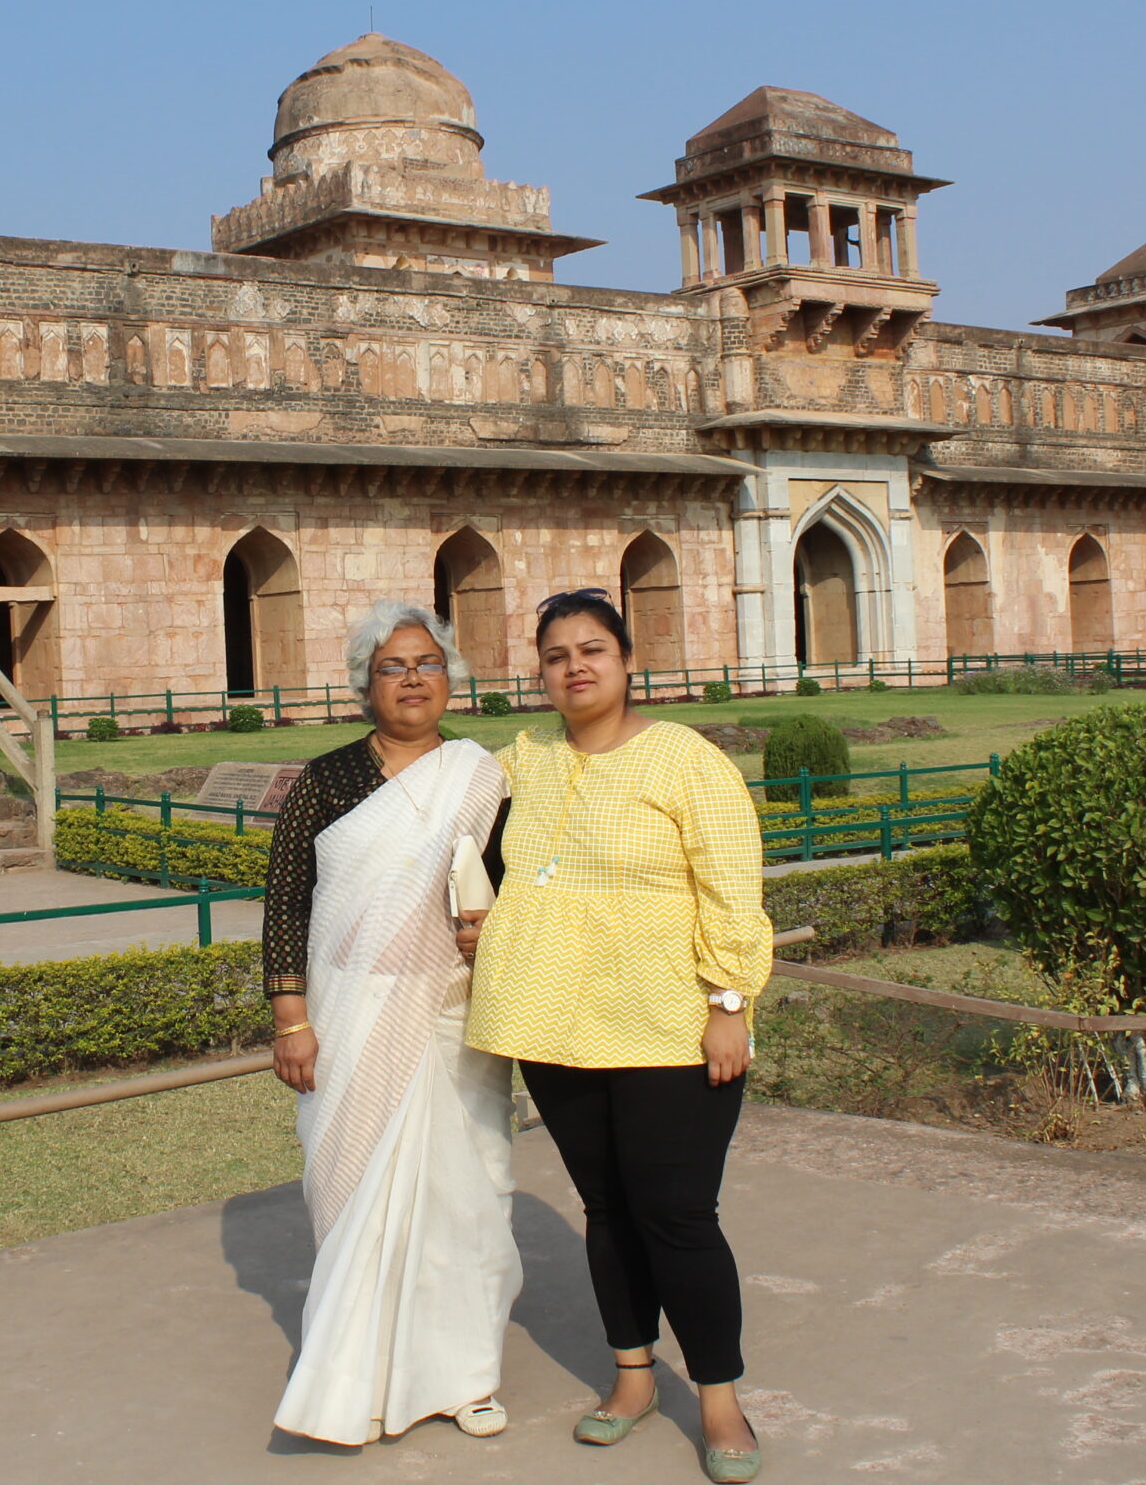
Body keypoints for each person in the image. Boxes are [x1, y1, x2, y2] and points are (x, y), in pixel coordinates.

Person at [465, 587, 773, 1483]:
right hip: (554, 1022)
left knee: (677, 1214)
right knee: (606, 1208)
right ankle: (632, 1374)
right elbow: (452, 826)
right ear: (542, 674)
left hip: (669, 1023)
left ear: (628, 660)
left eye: (592, 649)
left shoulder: (685, 761)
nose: (576, 667)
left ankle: (718, 1397)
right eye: (557, 656)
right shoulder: (525, 760)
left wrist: (728, 1004)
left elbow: (730, 887)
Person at [262, 601, 519, 1447]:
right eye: (393, 666)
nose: (413, 678)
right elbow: (285, 900)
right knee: (352, 1184)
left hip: (450, 1013)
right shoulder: (324, 781)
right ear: (364, 685)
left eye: (428, 663)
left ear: (451, 677)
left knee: (465, 1193)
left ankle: (466, 1374)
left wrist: (498, 930)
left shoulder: (480, 777)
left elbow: (511, 892)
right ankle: (357, 1373)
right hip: (347, 1010)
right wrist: (290, 1014)